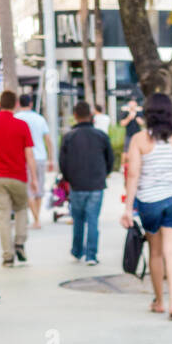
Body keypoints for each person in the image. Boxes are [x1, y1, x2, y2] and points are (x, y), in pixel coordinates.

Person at [121, 91, 172, 319]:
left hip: (149, 202)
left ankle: (159, 301)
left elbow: (133, 175)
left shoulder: (140, 140)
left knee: (156, 253)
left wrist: (127, 209)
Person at [0, 89, 37, 266]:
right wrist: (34, 177)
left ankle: (7, 256)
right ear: (16, 104)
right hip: (18, 176)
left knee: (3, 216)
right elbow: (29, 154)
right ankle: (20, 242)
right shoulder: (22, 125)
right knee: (21, 209)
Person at [59, 99, 114, 266]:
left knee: (78, 219)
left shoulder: (69, 137)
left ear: (75, 116)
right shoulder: (101, 136)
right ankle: (91, 255)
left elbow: (63, 162)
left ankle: (76, 251)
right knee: (93, 220)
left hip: (76, 184)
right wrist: (104, 174)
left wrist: (68, 178)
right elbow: (110, 159)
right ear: (91, 116)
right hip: (96, 184)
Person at [15, 92, 53, 229]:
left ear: (19, 104)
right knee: (39, 188)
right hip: (40, 157)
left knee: (28, 189)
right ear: (30, 104)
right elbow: (48, 139)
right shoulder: (39, 118)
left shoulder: (16, 118)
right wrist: (51, 158)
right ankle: (37, 218)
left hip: (23, 158)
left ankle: (35, 217)